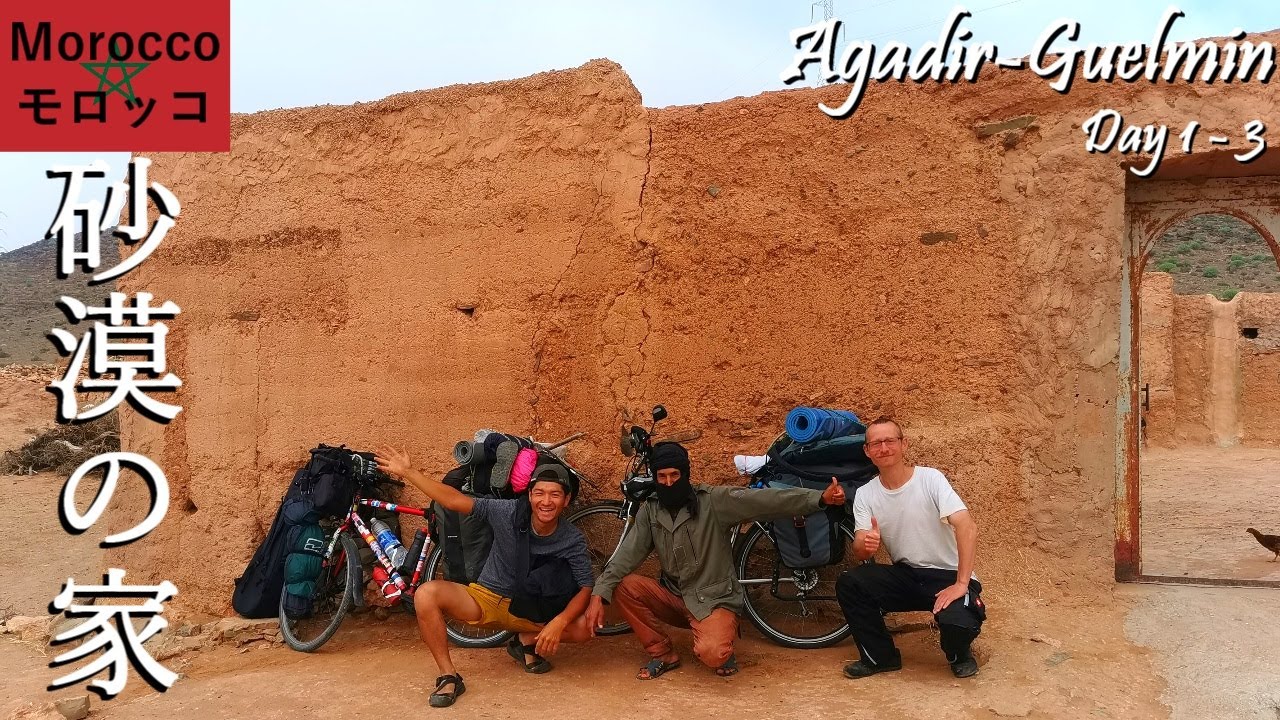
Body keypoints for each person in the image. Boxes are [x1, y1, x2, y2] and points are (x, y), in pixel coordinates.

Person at [585, 441, 846, 680]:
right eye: (661, 477)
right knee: (622, 585)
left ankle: (723, 639)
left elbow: (766, 501)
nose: (667, 483)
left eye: (674, 475)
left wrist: (818, 498)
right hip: (674, 596)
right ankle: (662, 653)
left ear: (685, 474)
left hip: (713, 600)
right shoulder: (651, 509)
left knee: (712, 654)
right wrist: (599, 593)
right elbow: (627, 555)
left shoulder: (712, 501)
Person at [374, 446, 595, 708]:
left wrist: (560, 621)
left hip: (532, 610)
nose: (546, 502)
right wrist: (409, 472)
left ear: (566, 500)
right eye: (540, 493)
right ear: (529, 494)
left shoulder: (571, 538)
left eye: (555, 495)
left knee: (584, 629)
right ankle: (448, 675)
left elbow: (585, 585)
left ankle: (526, 639)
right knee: (425, 594)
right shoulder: (508, 512)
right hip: (486, 599)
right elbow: (454, 501)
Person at [834, 417, 985, 680]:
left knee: (958, 622)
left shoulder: (930, 479)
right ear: (867, 451)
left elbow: (967, 527)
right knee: (851, 582)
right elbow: (860, 550)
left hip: (947, 575)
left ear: (904, 444)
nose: (884, 448)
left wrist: (962, 583)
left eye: (890, 441)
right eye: (876, 443)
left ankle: (958, 654)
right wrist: (865, 544)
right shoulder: (866, 494)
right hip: (907, 575)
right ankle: (881, 658)